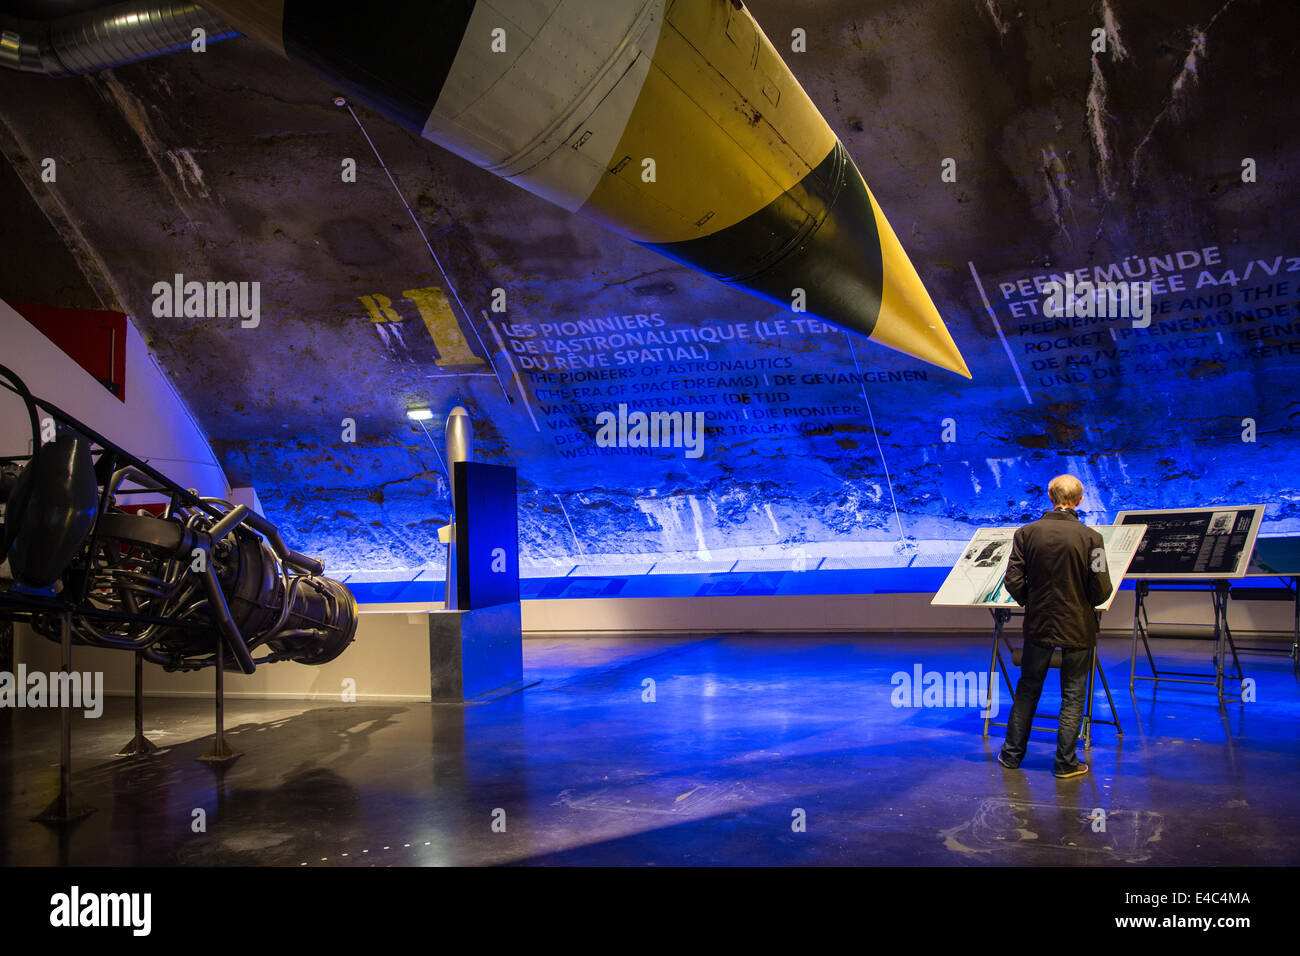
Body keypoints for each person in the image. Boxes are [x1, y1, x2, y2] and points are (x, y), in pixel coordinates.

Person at [998, 474, 1112, 778]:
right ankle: (1065, 763)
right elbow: (1102, 589)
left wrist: (1031, 601)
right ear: (1080, 501)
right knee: (1073, 693)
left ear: (1050, 496)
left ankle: (1010, 755)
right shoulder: (1093, 539)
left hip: (1038, 623)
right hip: (1078, 626)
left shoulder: (1025, 534)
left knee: (1028, 688)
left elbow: (1012, 580)